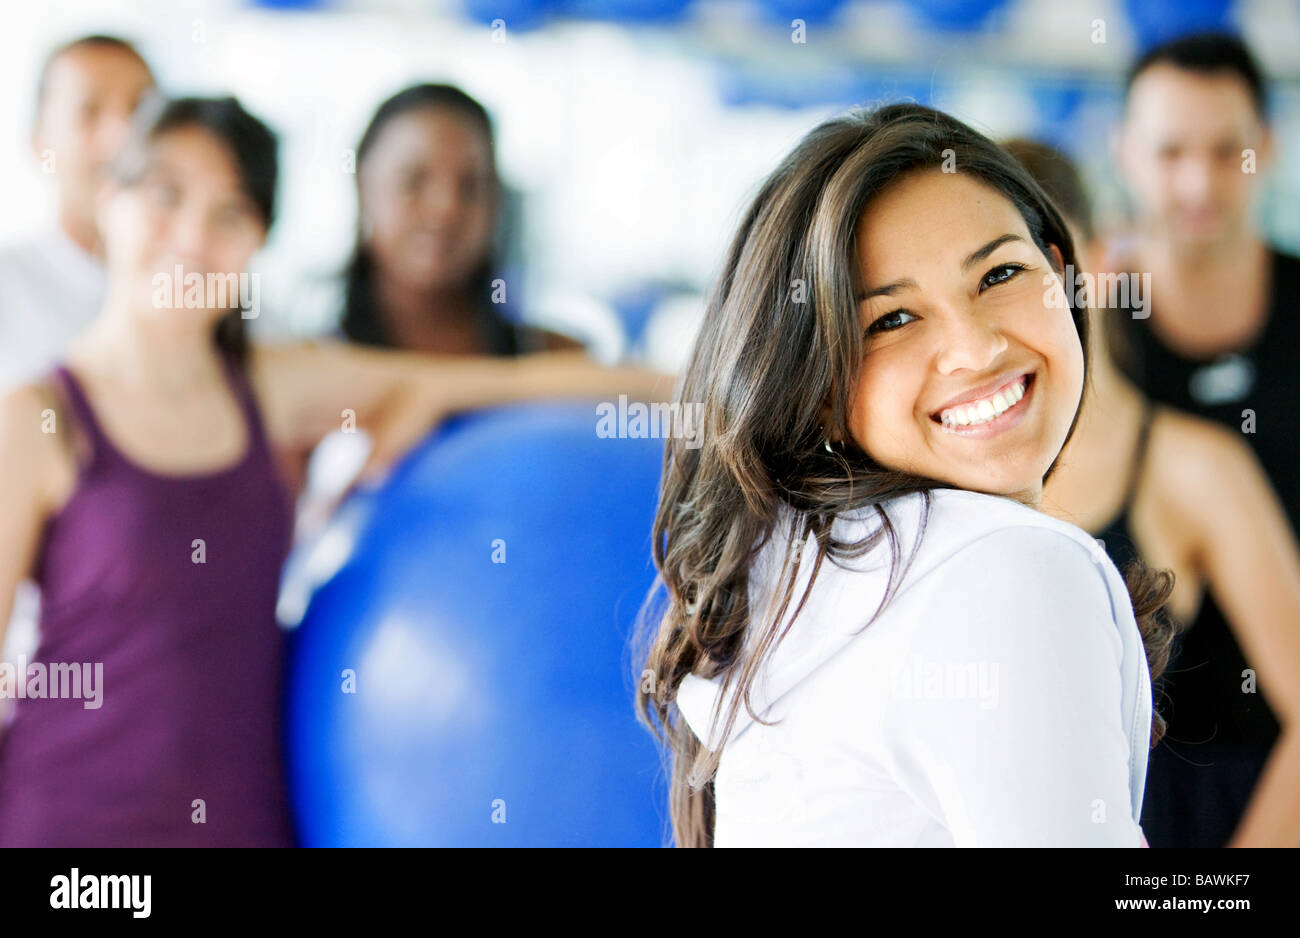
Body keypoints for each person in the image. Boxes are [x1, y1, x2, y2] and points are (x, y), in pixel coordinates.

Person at [0, 95, 670, 847]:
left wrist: (699, 385)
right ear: (109, 200)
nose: (193, 236)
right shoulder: (35, 417)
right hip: (69, 836)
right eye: (165, 194)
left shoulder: (273, 389)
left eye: (231, 214)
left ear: (257, 240)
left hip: (245, 820)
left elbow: (496, 382)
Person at [635, 103, 1176, 848]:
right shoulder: (1005, 566)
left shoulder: (810, 561)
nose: (975, 348)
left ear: (1061, 271)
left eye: (1000, 274)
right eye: (891, 320)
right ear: (820, 390)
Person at [1012, 138, 1300, 848]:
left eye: (1032, 273)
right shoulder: (946, 478)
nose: (1011, 313)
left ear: (1103, 263)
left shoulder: (1193, 468)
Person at [1109, 32, 1300, 540]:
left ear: (1266, 148)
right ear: (1125, 153)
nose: (1199, 184)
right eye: (1170, 152)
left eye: (1227, 151)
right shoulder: (1082, 331)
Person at [339, 82, 581, 355]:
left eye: (471, 186)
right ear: (362, 186)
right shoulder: (307, 356)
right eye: (413, 180)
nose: (445, 208)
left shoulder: (556, 356)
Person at [0, 34, 155, 390]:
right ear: (39, 142)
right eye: (89, 111)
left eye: (142, 111)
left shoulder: (210, 289)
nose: (122, 137)